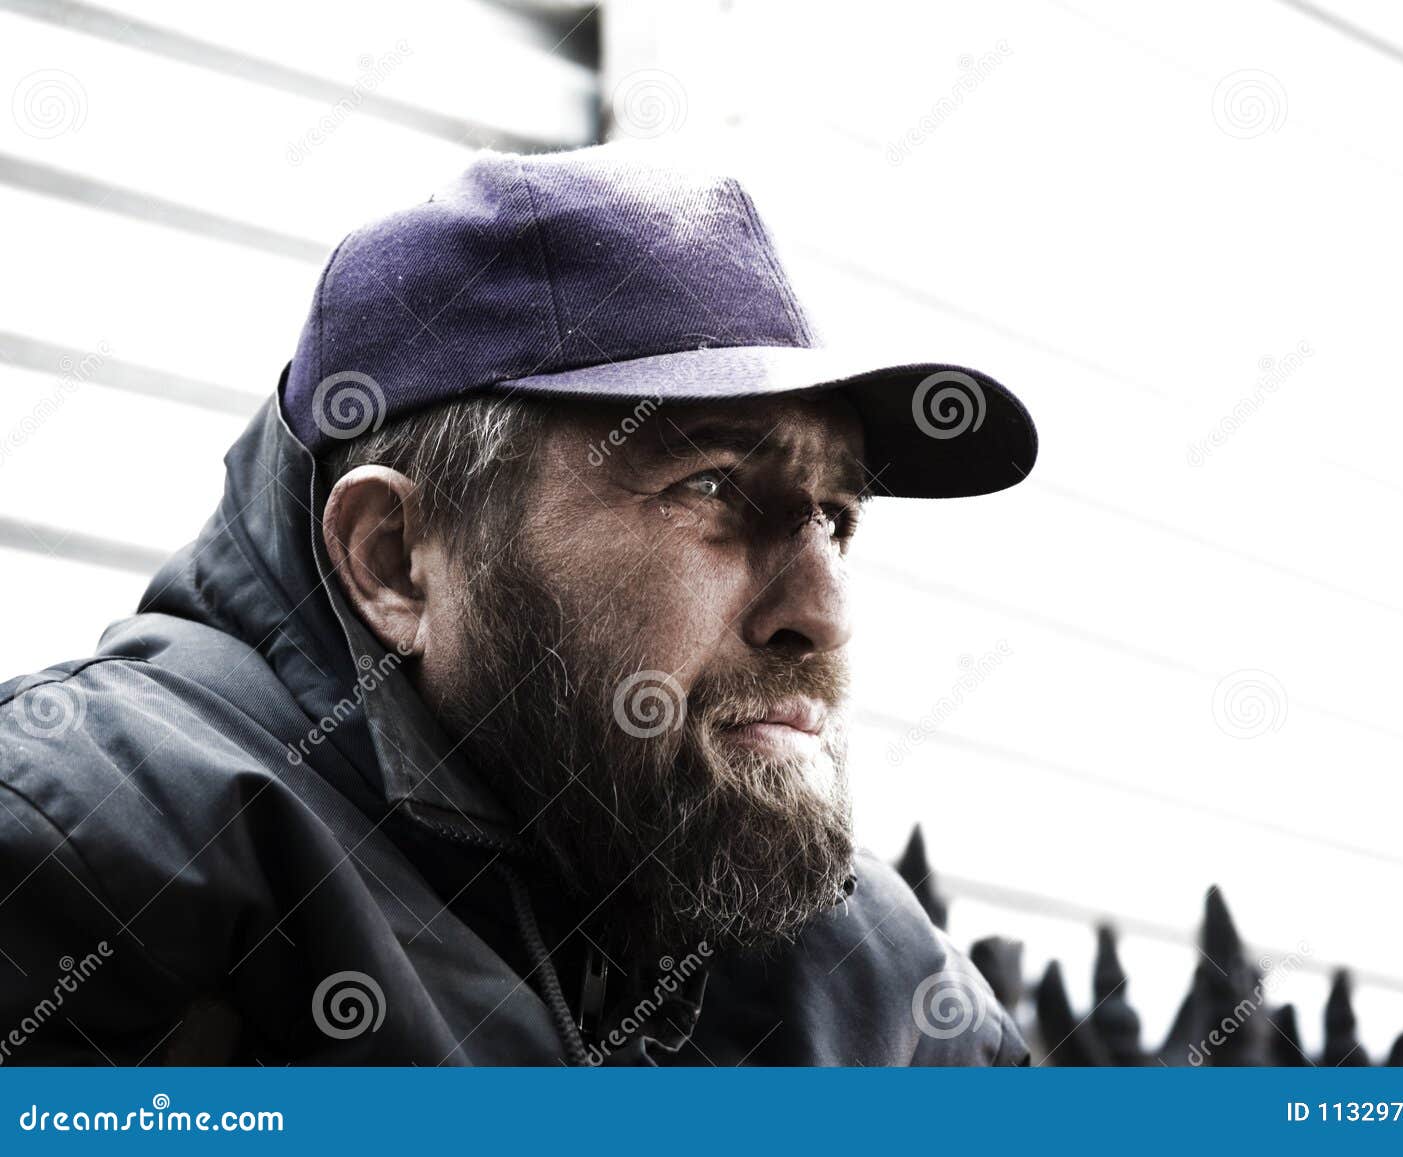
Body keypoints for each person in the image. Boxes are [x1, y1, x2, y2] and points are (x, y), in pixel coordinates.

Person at [0, 147, 1038, 1065]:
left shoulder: (889, 993)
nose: (822, 611)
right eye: (713, 487)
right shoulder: (89, 855)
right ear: (398, 559)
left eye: (836, 516)